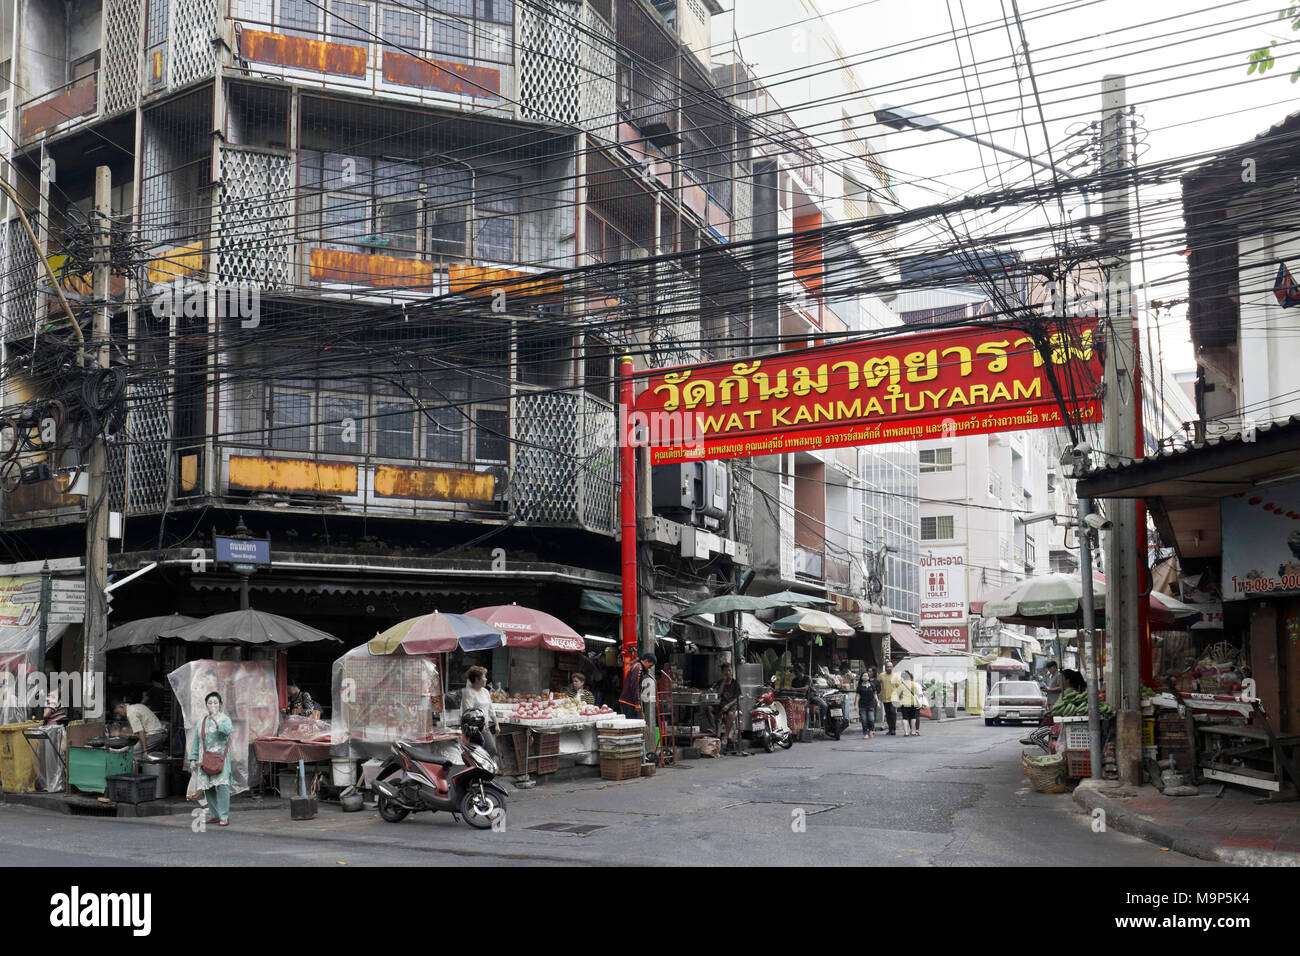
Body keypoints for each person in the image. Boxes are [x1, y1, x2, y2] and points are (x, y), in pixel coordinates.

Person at [188, 692, 234, 827]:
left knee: (223, 786)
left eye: (215, 702)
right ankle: (214, 815)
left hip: (220, 758)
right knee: (207, 787)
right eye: (210, 703)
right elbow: (196, 741)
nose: (213, 705)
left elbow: (226, 731)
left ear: (220, 705)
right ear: (206, 705)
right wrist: (193, 758)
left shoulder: (225, 719)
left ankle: (224, 816)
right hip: (205, 759)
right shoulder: (202, 722)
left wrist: (216, 720)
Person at [460, 666, 500, 754]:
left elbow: (490, 709)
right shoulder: (468, 692)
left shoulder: (485, 691)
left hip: (485, 726)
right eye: (483, 677)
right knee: (486, 750)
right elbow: (469, 713)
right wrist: (478, 727)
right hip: (473, 729)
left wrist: (496, 724)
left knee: (490, 750)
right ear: (477, 679)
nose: (486, 679)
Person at [619, 652, 655, 720]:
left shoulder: (638, 666)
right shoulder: (638, 667)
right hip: (629, 701)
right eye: (650, 666)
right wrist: (637, 703)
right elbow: (634, 686)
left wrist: (645, 671)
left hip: (629, 701)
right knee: (631, 724)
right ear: (646, 661)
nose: (649, 668)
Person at [715, 663, 742, 752]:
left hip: (731, 705)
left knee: (730, 714)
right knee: (709, 710)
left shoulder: (735, 683)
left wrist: (728, 705)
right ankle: (716, 733)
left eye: (730, 670)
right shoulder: (720, 682)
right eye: (726, 671)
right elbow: (718, 695)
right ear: (723, 672)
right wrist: (723, 682)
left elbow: (737, 697)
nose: (728, 673)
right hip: (721, 704)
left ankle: (726, 735)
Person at [879, 661, 902, 735]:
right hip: (885, 698)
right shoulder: (881, 675)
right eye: (887, 667)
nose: (889, 668)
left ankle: (893, 729)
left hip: (894, 698)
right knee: (888, 714)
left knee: (893, 713)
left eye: (890, 667)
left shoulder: (896, 676)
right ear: (885, 667)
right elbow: (877, 684)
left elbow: (900, 688)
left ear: (892, 667)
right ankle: (890, 729)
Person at [897, 670, 924, 737]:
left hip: (904, 703)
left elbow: (897, 694)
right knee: (913, 717)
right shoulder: (914, 684)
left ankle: (906, 733)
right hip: (913, 703)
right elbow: (918, 694)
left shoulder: (901, 685)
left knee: (905, 718)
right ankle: (913, 731)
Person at [857, 667, 881, 739]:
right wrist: (855, 704)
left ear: (868, 677)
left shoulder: (872, 685)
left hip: (871, 704)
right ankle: (865, 733)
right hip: (862, 705)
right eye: (864, 676)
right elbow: (858, 696)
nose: (865, 677)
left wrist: (878, 702)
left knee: (871, 719)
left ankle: (871, 730)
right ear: (861, 678)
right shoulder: (859, 686)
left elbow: (875, 694)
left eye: (867, 676)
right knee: (864, 720)